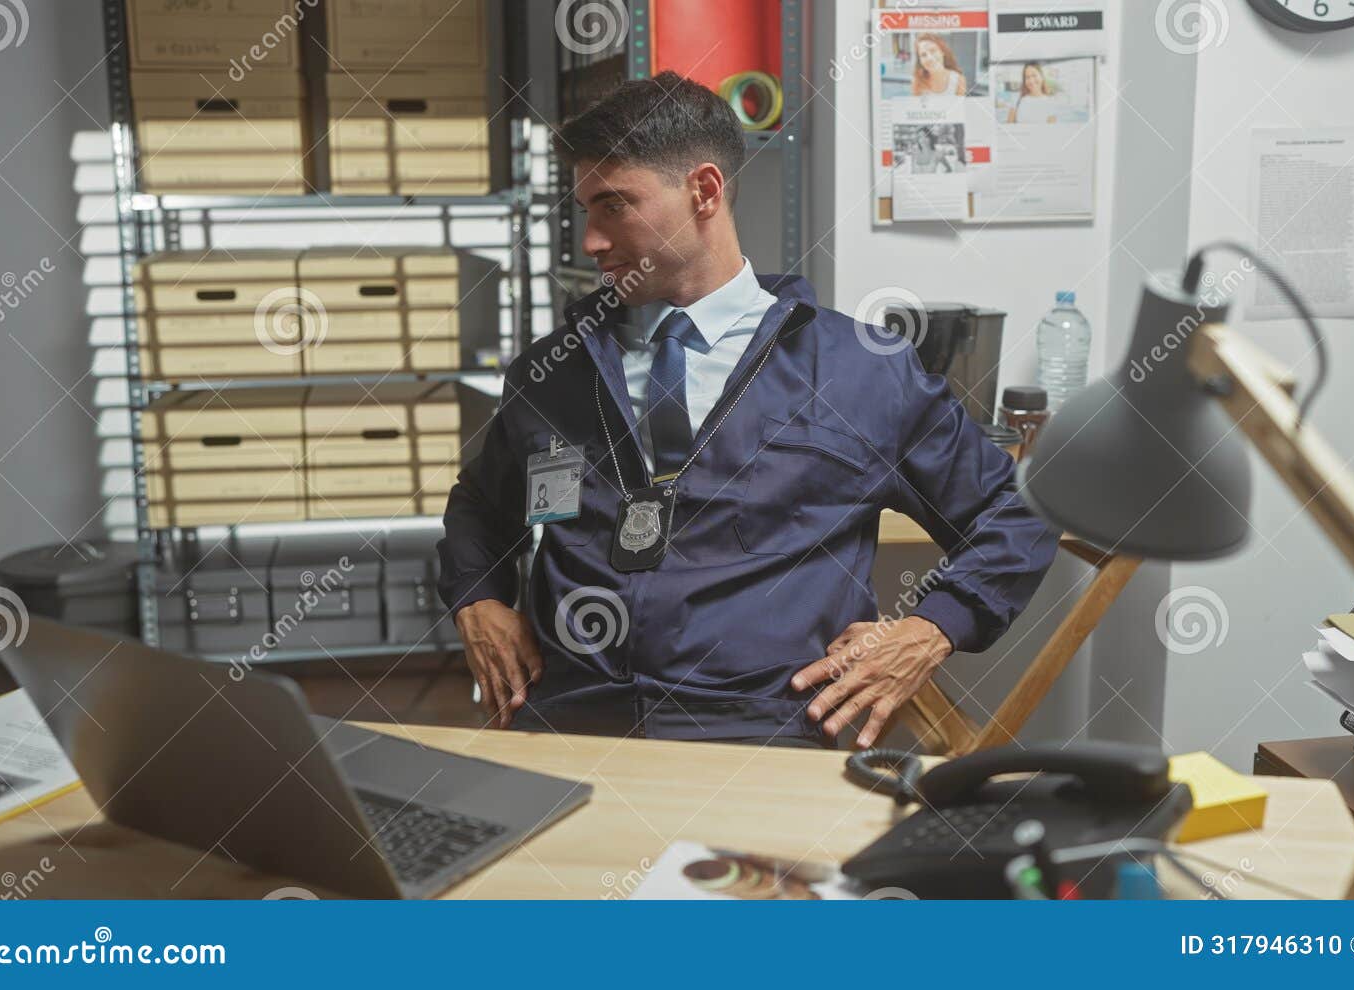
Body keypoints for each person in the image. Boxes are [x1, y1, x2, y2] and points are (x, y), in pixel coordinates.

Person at [438, 72, 1057, 748]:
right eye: (587, 209)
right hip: (573, 723)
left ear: (704, 191)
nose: (592, 241)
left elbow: (1016, 512)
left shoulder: (857, 372)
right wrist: (479, 597)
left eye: (615, 206)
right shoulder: (554, 370)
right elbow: (480, 502)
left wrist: (931, 628)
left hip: (765, 732)